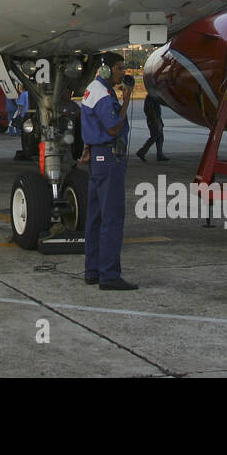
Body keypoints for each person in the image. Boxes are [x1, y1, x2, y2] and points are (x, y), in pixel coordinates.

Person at [79, 53, 137, 291]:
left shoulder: (92, 90)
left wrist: (86, 147)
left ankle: (92, 270)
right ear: (105, 70)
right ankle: (109, 275)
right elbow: (113, 127)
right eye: (119, 68)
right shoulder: (104, 96)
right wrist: (126, 101)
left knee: (94, 218)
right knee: (112, 217)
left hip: (96, 156)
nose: (123, 73)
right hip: (108, 157)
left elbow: (88, 122)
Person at [136, 93, 168, 162]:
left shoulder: (153, 96)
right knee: (155, 136)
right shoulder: (151, 97)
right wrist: (156, 121)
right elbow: (149, 110)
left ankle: (159, 154)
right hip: (153, 120)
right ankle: (142, 152)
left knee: (159, 137)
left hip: (156, 119)